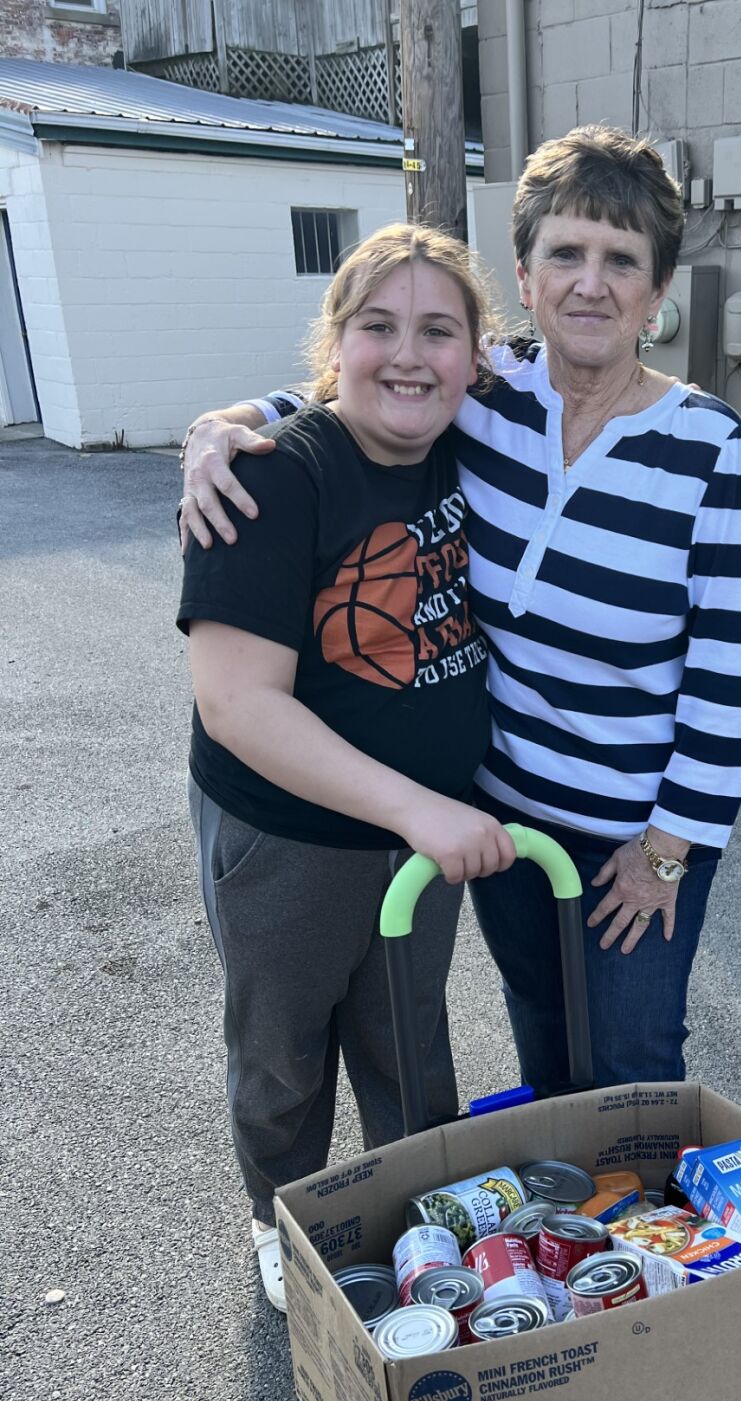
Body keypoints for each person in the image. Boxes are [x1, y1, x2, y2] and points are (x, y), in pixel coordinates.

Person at [180, 125, 741, 1101]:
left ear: (655, 294)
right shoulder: (491, 393)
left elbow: (729, 681)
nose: (591, 282)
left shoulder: (713, 454)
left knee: (629, 1072)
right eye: (565, 255)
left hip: (631, 843)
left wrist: (664, 854)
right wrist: (232, 421)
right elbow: (366, 383)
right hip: (502, 824)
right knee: (544, 1043)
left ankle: (640, 1249)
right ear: (527, 278)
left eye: (620, 260)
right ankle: (563, 1244)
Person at [178, 223, 514, 1310]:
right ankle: (288, 1223)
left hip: (418, 836)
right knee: (283, 1049)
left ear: (476, 352)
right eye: (378, 327)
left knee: (406, 1035)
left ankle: (417, 1217)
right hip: (291, 837)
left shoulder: (477, 442)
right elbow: (234, 705)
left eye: (437, 330)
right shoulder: (274, 481)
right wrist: (418, 806)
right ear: (336, 342)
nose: (408, 355)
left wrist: (425, 814)